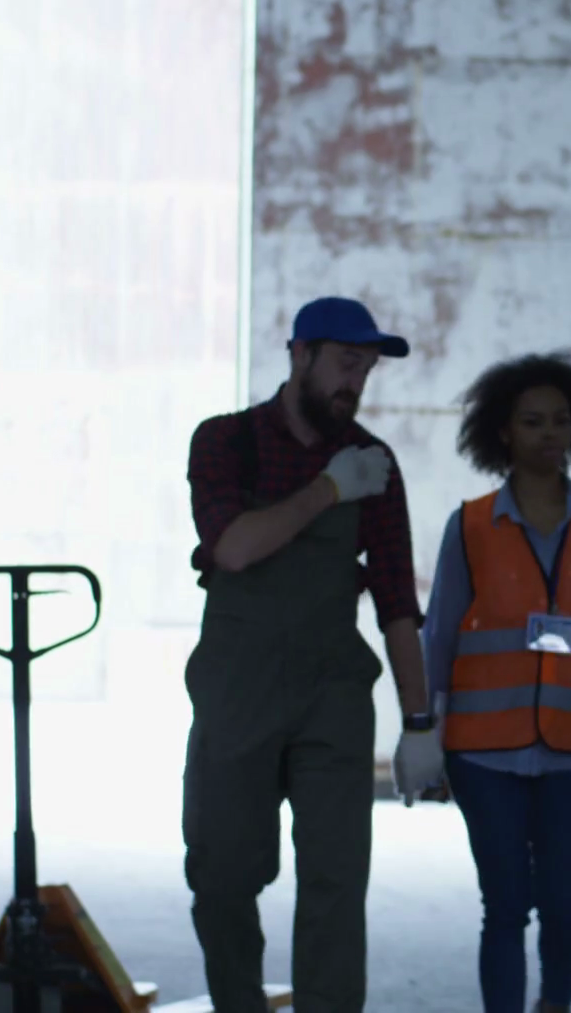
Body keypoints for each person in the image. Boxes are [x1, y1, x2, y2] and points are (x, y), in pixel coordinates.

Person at [181, 296, 446, 1013]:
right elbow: (233, 547)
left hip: (332, 690)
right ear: (299, 355)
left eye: (365, 370)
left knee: (335, 880)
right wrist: (328, 489)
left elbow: (396, 602)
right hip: (239, 691)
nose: (354, 382)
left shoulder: (375, 463)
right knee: (224, 872)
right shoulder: (225, 442)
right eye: (344, 363)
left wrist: (420, 721)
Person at [419, 349, 571, 1013]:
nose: (548, 434)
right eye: (532, 422)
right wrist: (422, 737)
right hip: (484, 750)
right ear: (503, 431)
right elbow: (438, 636)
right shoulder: (470, 525)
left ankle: (555, 1004)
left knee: (565, 905)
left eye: (559, 421)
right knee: (503, 906)